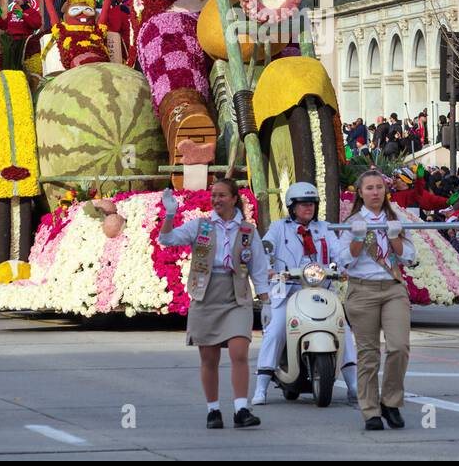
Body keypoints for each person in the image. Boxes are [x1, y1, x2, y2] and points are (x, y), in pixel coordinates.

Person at [157, 178, 268, 429]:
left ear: (233, 198)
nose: (216, 200)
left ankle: (241, 409)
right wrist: (170, 214)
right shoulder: (201, 226)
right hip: (206, 294)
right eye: (213, 195)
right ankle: (213, 410)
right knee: (209, 358)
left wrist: (267, 302)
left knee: (240, 352)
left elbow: (259, 268)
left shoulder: (248, 231)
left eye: (221, 195)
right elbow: (167, 239)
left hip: (236, 294)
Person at [253, 182, 357, 407]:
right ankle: (260, 387)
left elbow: (338, 252)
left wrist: (346, 266)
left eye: (311, 204)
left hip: (319, 290)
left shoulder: (324, 228)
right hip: (289, 291)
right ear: (291, 207)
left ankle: (353, 386)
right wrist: (269, 266)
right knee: (277, 329)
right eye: (302, 204)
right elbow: (267, 248)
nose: (308, 208)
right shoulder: (279, 227)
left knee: (343, 329)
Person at [339, 170, 415, 431]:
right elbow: (344, 261)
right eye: (369, 188)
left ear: (386, 190)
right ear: (360, 193)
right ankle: (370, 410)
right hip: (362, 290)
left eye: (379, 187)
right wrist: (358, 238)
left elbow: (410, 257)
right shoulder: (353, 221)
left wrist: (395, 238)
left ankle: (391, 402)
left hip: (393, 289)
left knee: (399, 346)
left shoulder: (397, 219)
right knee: (368, 355)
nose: (375, 192)